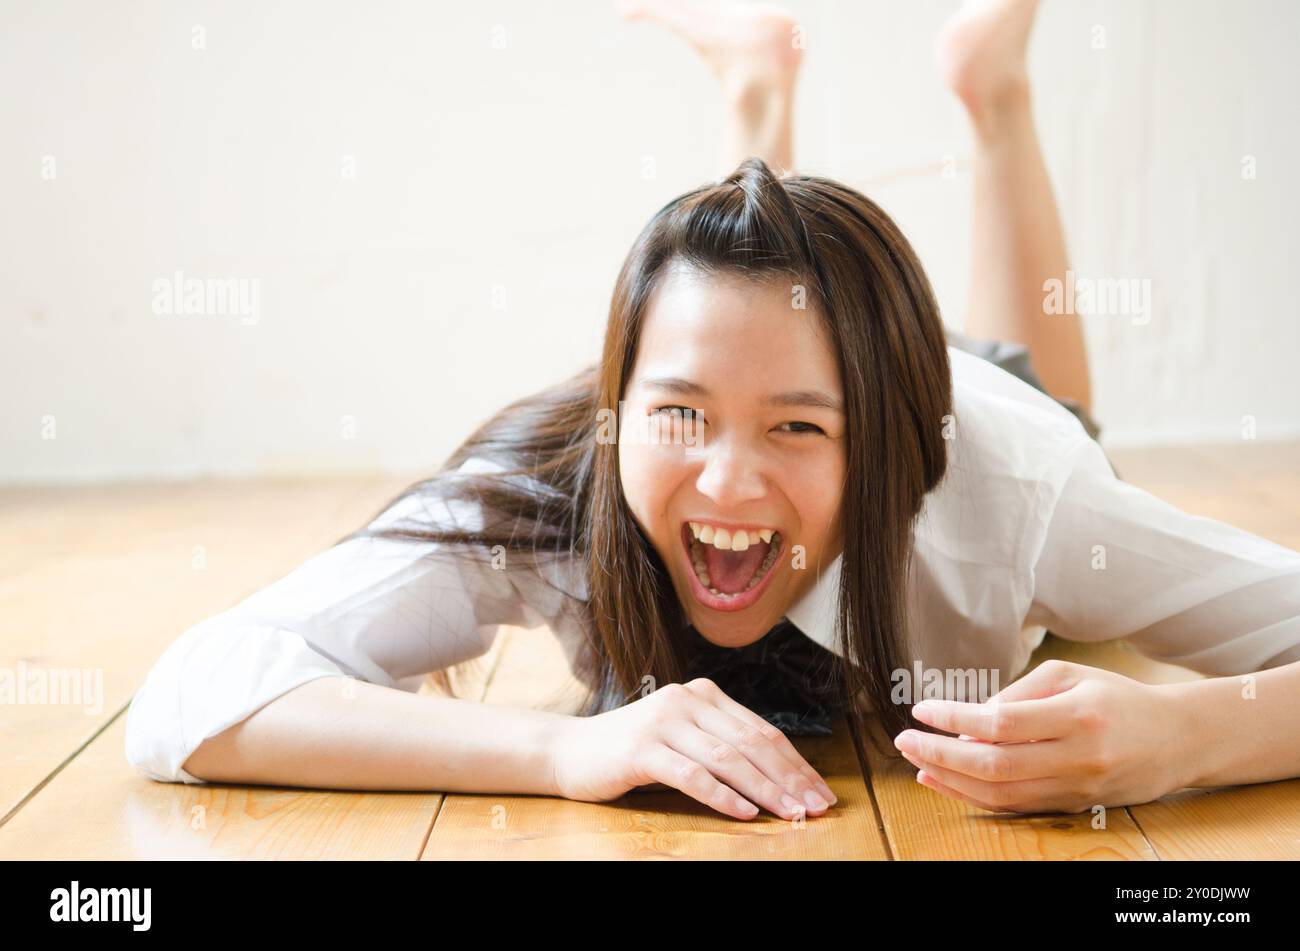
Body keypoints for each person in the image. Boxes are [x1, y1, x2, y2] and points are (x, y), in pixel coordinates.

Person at [125, 0, 1300, 820]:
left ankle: (994, 97)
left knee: (1066, 403)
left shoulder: (1020, 503)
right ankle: (758, 89)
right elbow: (187, 696)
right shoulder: (558, 486)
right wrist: (565, 749)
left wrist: (1183, 737)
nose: (726, 484)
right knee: (753, 299)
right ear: (618, 405)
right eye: (675, 414)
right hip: (815, 336)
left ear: (879, 439)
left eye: (799, 429)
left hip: (987, 406)